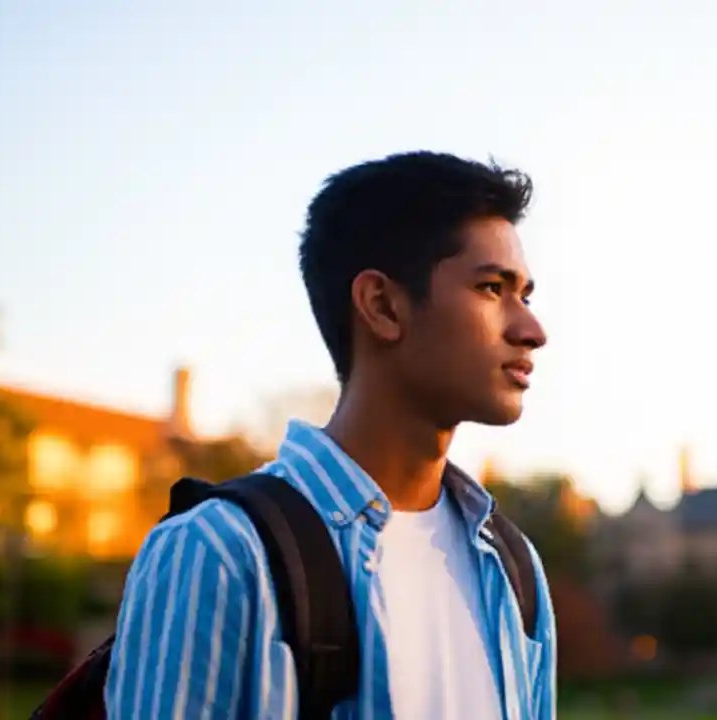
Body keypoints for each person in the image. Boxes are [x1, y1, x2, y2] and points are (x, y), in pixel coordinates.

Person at [104, 151, 554, 719]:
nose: (532, 330)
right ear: (382, 305)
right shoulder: (222, 553)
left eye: (526, 295)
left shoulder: (513, 569)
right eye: (492, 288)